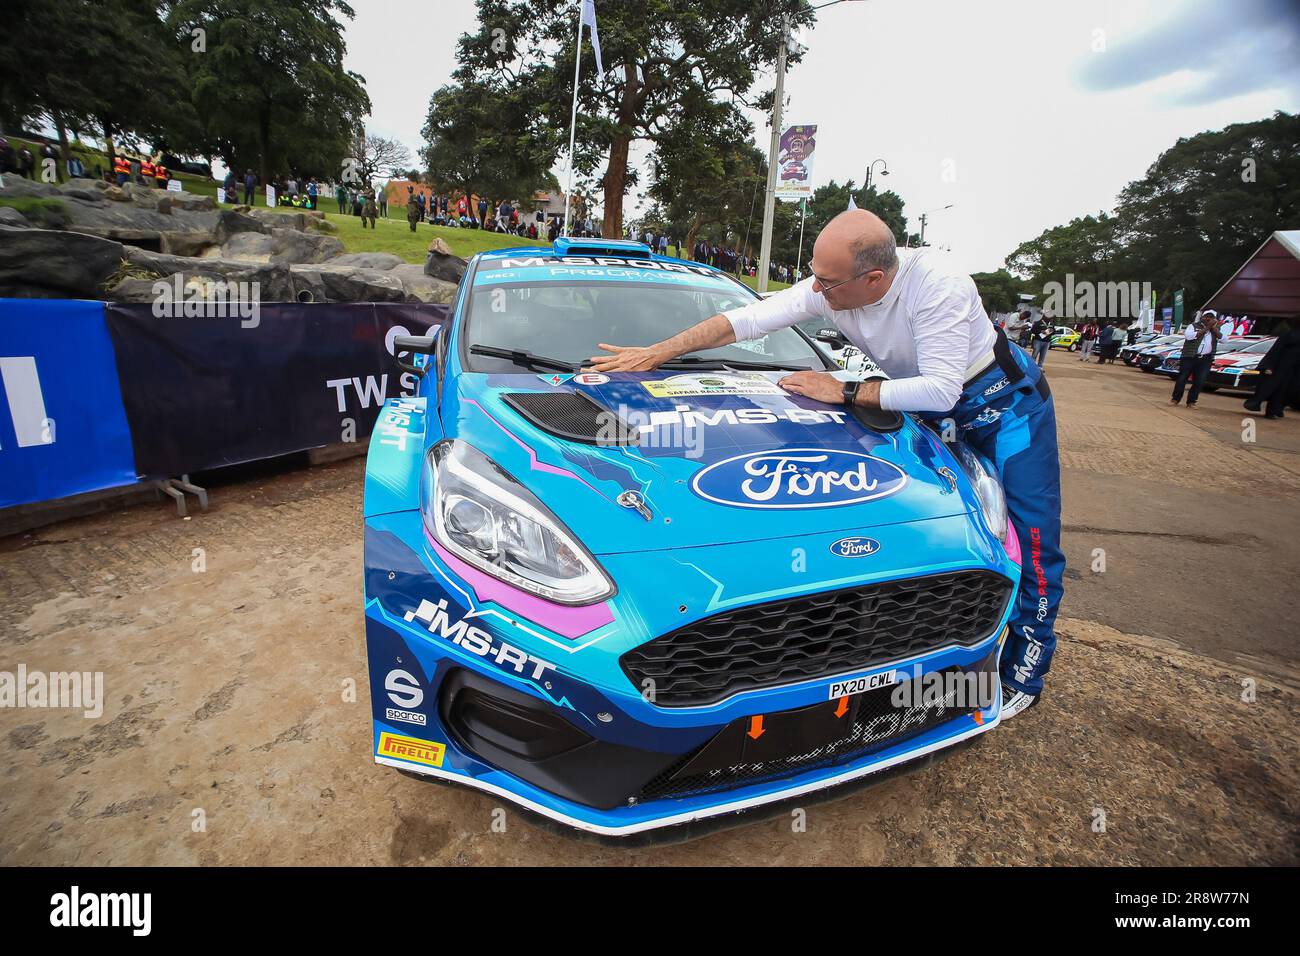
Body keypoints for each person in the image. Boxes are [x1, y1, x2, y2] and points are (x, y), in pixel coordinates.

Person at [586, 209, 1063, 717]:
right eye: (814, 274)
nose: (815, 288)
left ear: (874, 278)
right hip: (919, 399)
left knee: (1032, 537)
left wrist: (844, 389)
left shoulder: (939, 285)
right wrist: (659, 352)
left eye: (827, 281)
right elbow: (747, 319)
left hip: (1002, 405)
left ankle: (1023, 674)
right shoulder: (830, 285)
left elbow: (943, 389)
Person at [1245, 324, 1300, 419]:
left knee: (1287, 390)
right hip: (1280, 367)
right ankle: (1260, 406)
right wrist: (1268, 366)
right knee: (1272, 387)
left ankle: (1276, 409)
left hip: (1294, 370)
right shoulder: (1290, 334)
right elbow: (1276, 350)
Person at [1170, 310, 1221, 408]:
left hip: (1206, 359)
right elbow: (1189, 337)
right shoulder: (1193, 326)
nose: (1208, 319)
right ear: (1202, 317)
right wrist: (1207, 328)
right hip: (1190, 357)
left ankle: (1191, 402)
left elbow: (1224, 339)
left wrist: (1214, 329)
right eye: (1206, 316)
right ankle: (1175, 399)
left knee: (1200, 381)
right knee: (1182, 378)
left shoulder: (1216, 329)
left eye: (1211, 317)